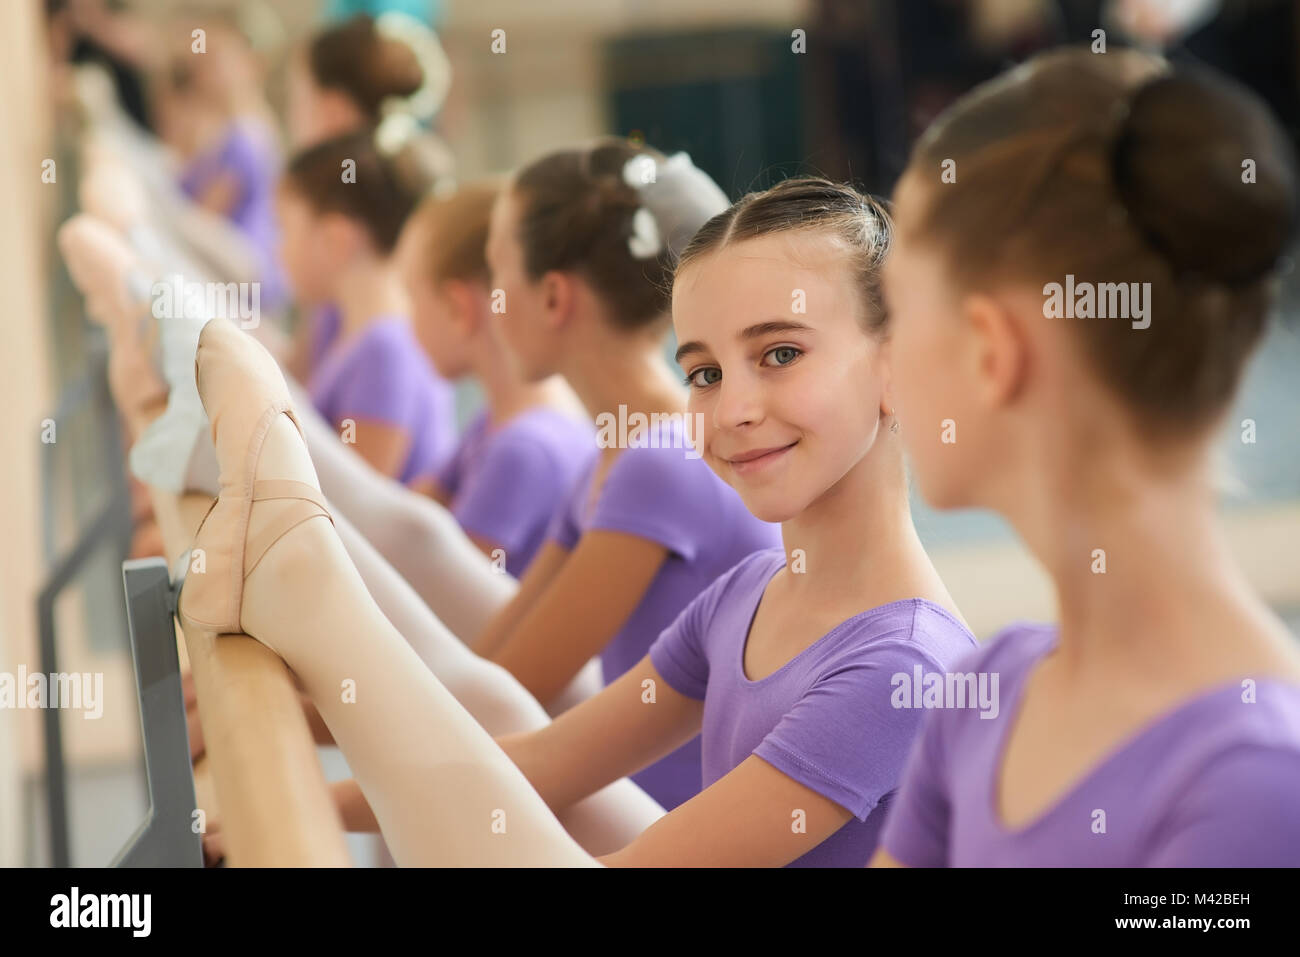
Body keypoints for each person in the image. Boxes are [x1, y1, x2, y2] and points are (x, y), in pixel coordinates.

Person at [871, 48, 1300, 867]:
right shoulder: (986, 696)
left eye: (895, 308)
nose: (879, 359)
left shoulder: (1255, 786)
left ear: (991, 351)